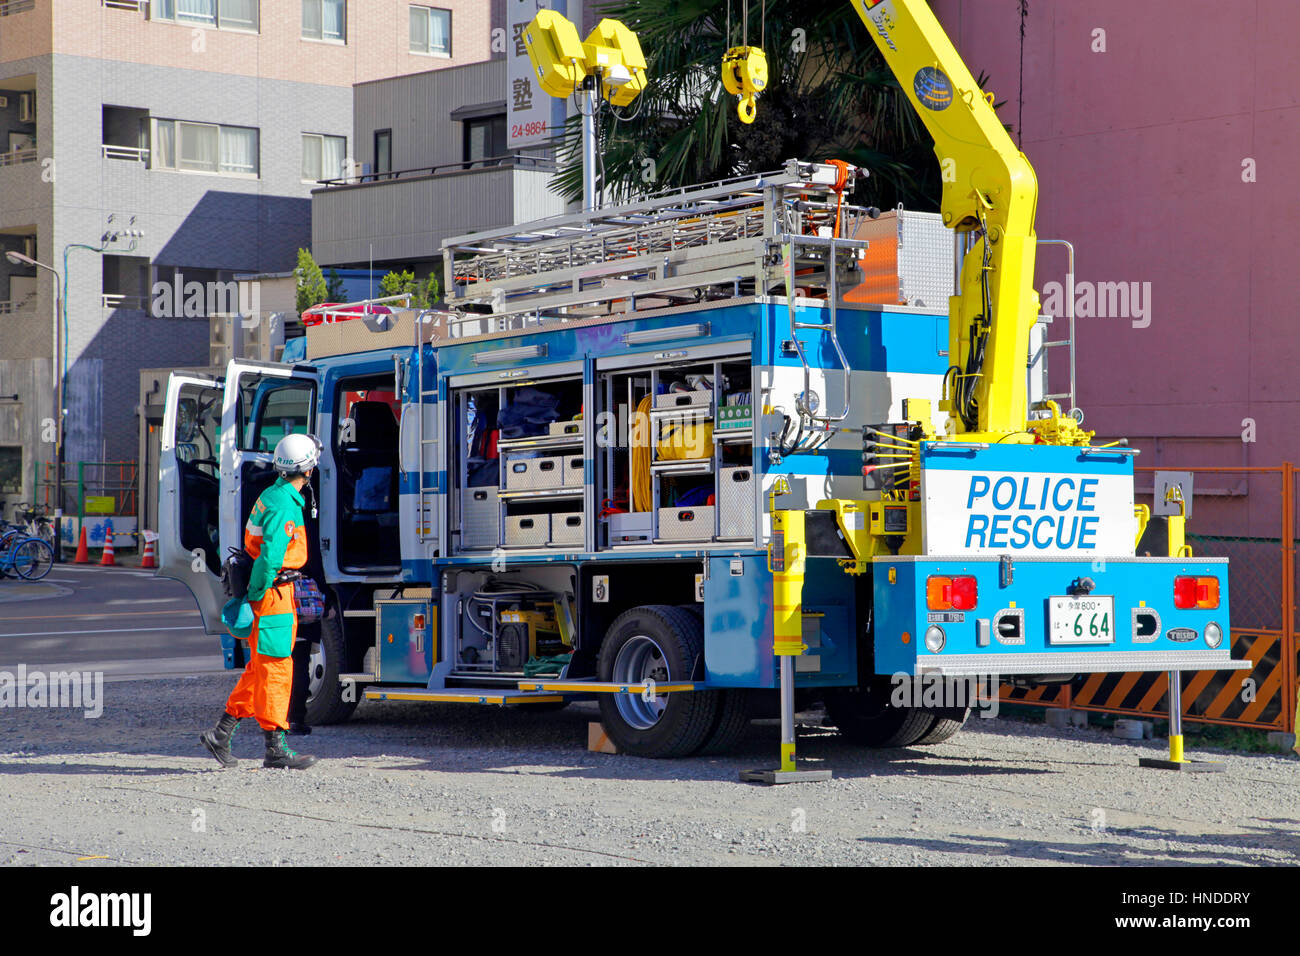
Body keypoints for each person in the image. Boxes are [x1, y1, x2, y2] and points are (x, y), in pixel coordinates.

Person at [200, 433, 323, 770]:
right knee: (277, 670)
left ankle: (221, 734)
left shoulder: (271, 495)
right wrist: (256, 596)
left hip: (267, 594)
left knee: (259, 670)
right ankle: (276, 748)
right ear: (308, 469)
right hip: (273, 597)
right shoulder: (286, 505)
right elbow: (269, 560)